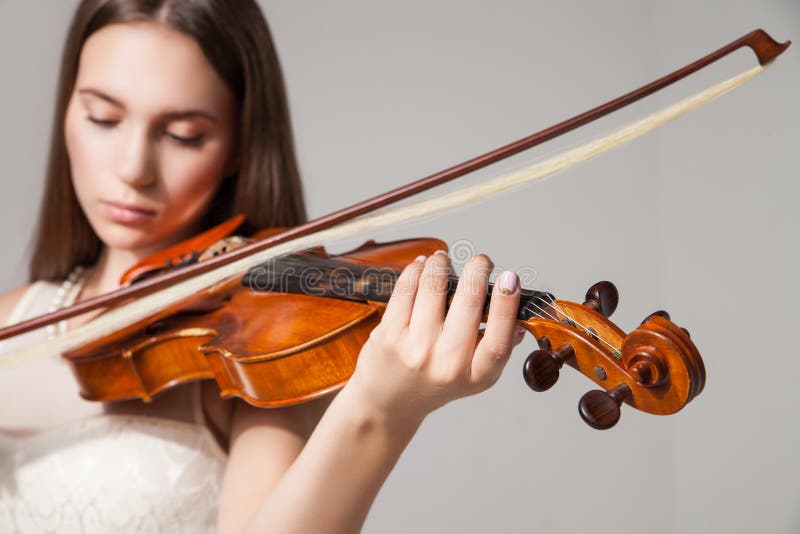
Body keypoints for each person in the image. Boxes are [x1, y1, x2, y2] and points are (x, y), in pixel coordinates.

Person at [0, 1, 524, 532]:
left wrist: (381, 410)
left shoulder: (252, 348)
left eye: (184, 134)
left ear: (236, 146)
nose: (134, 168)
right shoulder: (9, 324)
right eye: (103, 118)